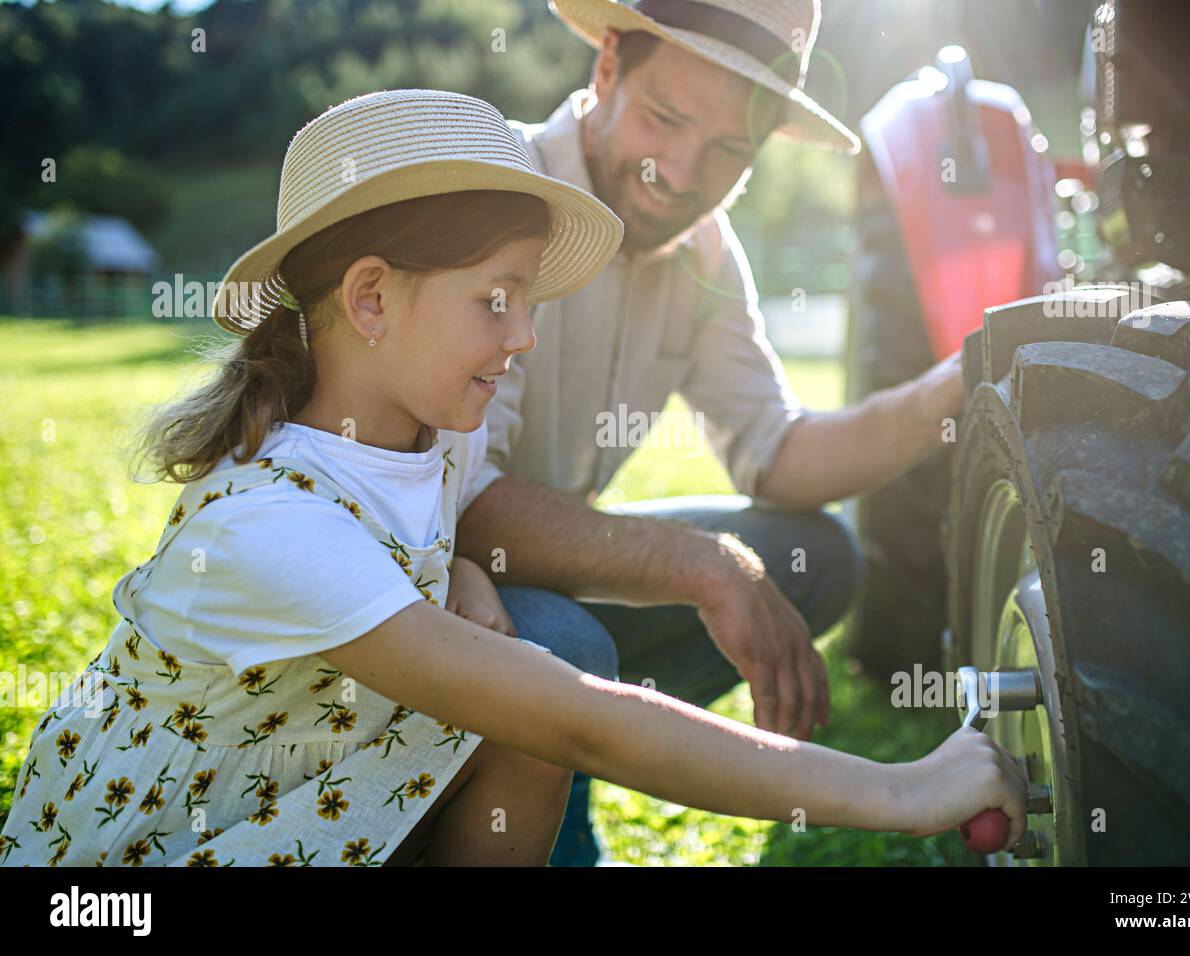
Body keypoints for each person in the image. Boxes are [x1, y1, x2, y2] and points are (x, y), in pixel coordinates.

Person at [0, 88, 1024, 869]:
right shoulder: (270, 526)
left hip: (299, 798)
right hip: (141, 867)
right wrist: (908, 787)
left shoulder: (419, 434)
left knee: (510, 711)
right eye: (495, 298)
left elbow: (465, 556)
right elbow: (584, 714)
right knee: (535, 702)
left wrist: (462, 569)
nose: (525, 334)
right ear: (369, 298)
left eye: (527, 298)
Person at [454, 0, 970, 864]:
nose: (682, 173)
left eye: (731, 150)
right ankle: (520, 786)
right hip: (424, 584)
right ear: (609, 64)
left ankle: (571, 730)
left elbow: (776, 451)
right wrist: (700, 565)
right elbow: (459, 511)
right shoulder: (498, 195)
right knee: (562, 637)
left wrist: (947, 392)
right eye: (664, 118)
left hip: (539, 579)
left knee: (817, 555)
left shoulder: (705, 251)